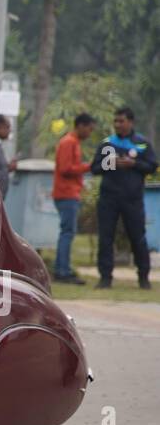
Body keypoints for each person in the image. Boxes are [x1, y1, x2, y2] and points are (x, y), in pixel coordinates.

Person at [90, 106, 156, 290]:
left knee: (138, 238)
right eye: (115, 121)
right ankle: (105, 278)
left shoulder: (142, 143)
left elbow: (152, 166)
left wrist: (134, 164)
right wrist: (110, 163)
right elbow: (95, 168)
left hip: (132, 199)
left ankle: (143, 277)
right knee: (105, 238)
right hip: (108, 198)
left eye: (121, 121)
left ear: (130, 122)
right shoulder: (107, 144)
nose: (118, 125)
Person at [52, 113, 95, 284]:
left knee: (68, 232)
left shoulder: (74, 142)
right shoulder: (69, 142)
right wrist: (88, 166)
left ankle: (64, 269)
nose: (90, 133)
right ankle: (62, 271)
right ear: (81, 125)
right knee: (67, 233)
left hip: (70, 193)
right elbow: (65, 168)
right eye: (89, 129)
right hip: (66, 193)